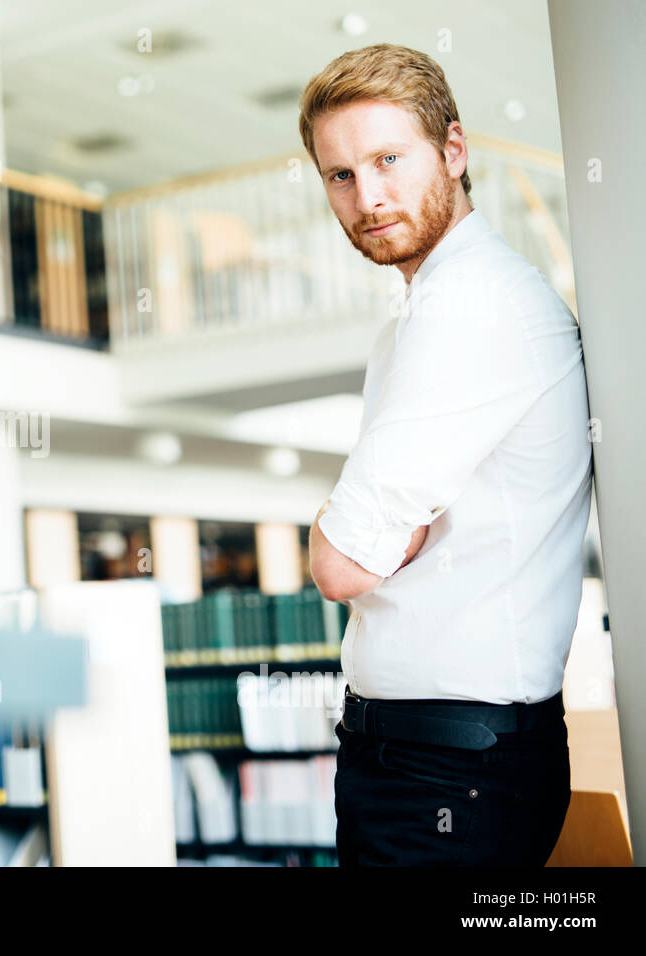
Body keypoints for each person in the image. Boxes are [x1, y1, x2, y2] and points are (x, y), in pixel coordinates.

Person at [298, 43, 592, 866]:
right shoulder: (425, 310)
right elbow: (365, 543)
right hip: (424, 757)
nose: (369, 196)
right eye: (341, 175)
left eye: (390, 159)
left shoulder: (470, 305)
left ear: (454, 152)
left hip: (449, 768)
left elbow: (340, 563)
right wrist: (373, 530)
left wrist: (348, 530)